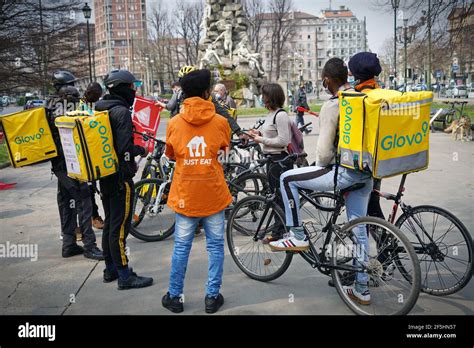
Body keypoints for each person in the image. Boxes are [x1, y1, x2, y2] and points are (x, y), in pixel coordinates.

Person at [270, 58, 374, 305]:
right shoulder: (364, 99)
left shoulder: (334, 104)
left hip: (342, 172)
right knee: (358, 229)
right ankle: (362, 288)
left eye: (323, 79)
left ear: (327, 79)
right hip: (365, 173)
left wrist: (315, 170)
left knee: (287, 179)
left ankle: (297, 235)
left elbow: (325, 153)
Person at [161, 69, 232, 314]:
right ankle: (212, 297)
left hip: (185, 195)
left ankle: (174, 297)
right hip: (213, 192)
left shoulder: (173, 123)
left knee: (181, 247)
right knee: (215, 246)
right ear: (206, 93)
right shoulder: (221, 122)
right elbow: (224, 151)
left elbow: (170, 154)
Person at [95, 69, 153, 290]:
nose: (134, 90)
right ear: (121, 88)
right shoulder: (120, 112)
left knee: (110, 224)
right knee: (119, 229)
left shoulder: (101, 108)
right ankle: (124, 276)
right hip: (120, 178)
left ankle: (110, 270)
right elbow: (124, 149)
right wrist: (140, 149)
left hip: (105, 175)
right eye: (131, 87)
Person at [46, 71, 104, 260]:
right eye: (71, 86)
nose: (75, 89)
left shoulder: (48, 105)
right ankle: (89, 246)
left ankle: (68, 244)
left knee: (66, 203)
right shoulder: (67, 106)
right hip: (71, 162)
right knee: (84, 200)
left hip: (58, 164)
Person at [248, 83, 294, 242]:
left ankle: (278, 233)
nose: (262, 98)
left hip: (279, 160)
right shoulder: (271, 114)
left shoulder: (280, 115)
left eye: (264, 96)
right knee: (276, 197)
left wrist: (259, 139)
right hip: (272, 160)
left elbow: (283, 140)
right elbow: (271, 133)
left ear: (271, 97)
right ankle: (279, 230)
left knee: (279, 198)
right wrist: (258, 133)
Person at [348, 52, 385, 221]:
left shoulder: (360, 99)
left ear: (356, 74)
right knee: (372, 205)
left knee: (368, 208)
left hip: (364, 162)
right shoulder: (381, 93)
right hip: (381, 159)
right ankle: (386, 242)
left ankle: (388, 243)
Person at [83, 82, 105, 230]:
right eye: (95, 96)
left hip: (93, 153)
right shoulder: (81, 108)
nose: (96, 99)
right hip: (83, 155)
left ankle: (94, 217)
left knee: (92, 188)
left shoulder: (95, 106)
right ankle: (93, 218)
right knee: (87, 190)